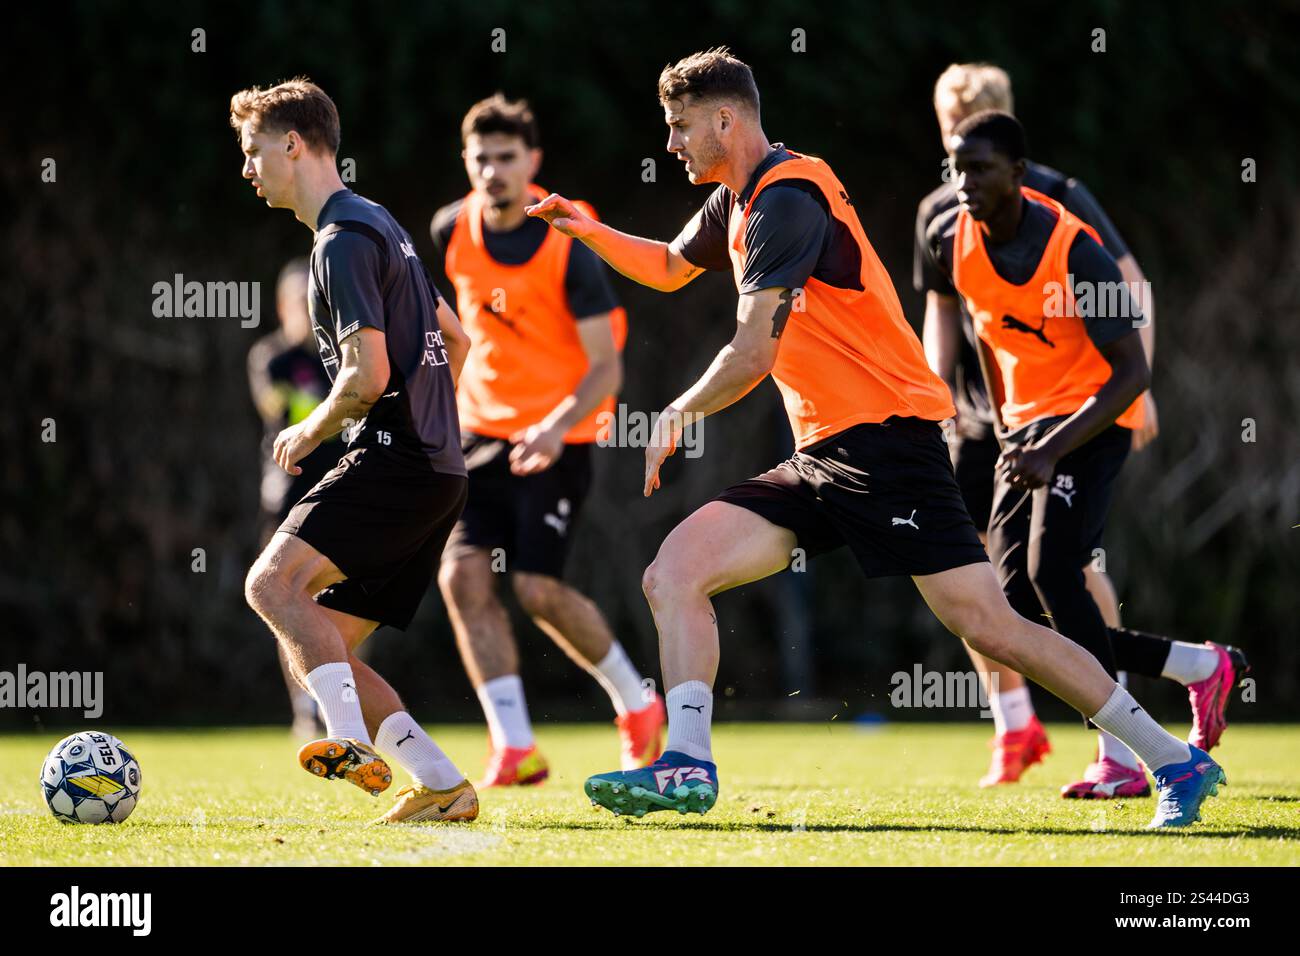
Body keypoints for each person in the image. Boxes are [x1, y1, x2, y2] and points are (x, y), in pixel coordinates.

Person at [528, 47, 1224, 828]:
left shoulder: (786, 200)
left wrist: (679, 411)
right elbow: (664, 265)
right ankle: (687, 765)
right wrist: (581, 228)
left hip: (889, 443)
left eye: (680, 125)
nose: (671, 143)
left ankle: (1174, 760)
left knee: (992, 626)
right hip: (825, 452)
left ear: (726, 119)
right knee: (675, 571)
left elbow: (753, 351)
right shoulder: (737, 198)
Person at [922, 109, 1245, 798]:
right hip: (1029, 429)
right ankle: (1195, 666)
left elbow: (1133, 371)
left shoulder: (1074, 249)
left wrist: (1050, 446)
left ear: (1017, 172)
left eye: (978, 168)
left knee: (1054, 573)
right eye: (956, 168)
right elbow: (981, 327)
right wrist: (1008, 426)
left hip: (1095, 422)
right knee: (1006, 613)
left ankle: (1130, 758)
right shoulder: (953, 238)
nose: (963, 182)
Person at [232, 77, 479, 824]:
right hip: (441, 469)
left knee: (270, 589)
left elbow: (367, 376)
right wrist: (431, 422)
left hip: (397, 460)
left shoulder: (338, 243)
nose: (247, 168)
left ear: (293, 145)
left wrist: (310, 430)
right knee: (324, 641)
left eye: (252, 151)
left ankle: (344, 740)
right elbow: (459, 340)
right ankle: (441, 783)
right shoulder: (383, 223)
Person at [430, 95, 664, 787]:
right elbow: (451, 333)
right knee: (461, 578)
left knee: (536, 588)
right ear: (467, 163)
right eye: (482, 159)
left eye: (507, 158)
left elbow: (606, 367)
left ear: (533, 162)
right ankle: (514, 744)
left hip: (562, 434)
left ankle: (637, 704)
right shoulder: (451, 229)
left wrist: (555, 427)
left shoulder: (570, 237)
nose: (493, 171)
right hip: (480, 434)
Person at [248, 257, 338, 740]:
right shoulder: (272, 357)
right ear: (283, 305)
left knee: (338, 605)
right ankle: (305, 709)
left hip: (338, 492)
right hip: (287, 494)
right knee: (285, 602)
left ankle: (340, 704)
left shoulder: (338, 356)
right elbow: (281, 408)